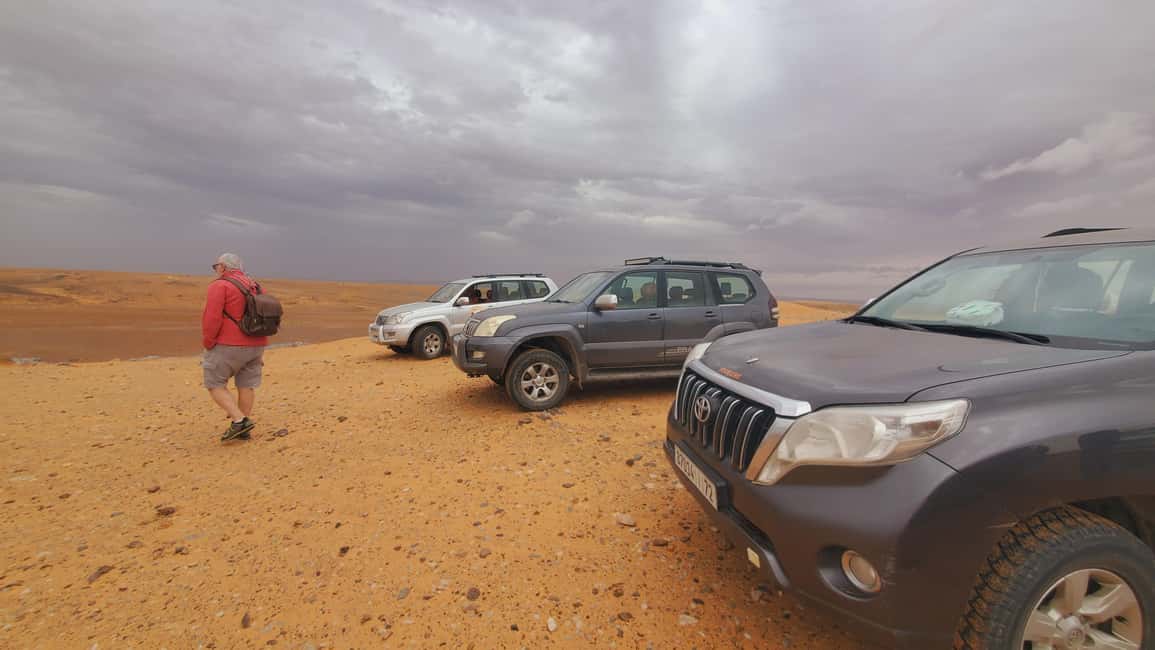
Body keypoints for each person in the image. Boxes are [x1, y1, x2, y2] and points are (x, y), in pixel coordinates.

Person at [202, 253, 268, 441]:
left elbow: (212, 318)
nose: (216, 270)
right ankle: (243, 428)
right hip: (256, 344)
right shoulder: (255, 286)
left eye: (216, 266)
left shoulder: (220, 285)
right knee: (246, 385)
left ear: (223, 267)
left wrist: (208, 341)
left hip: (228, 344)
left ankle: (239, 421)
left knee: (215, 384)